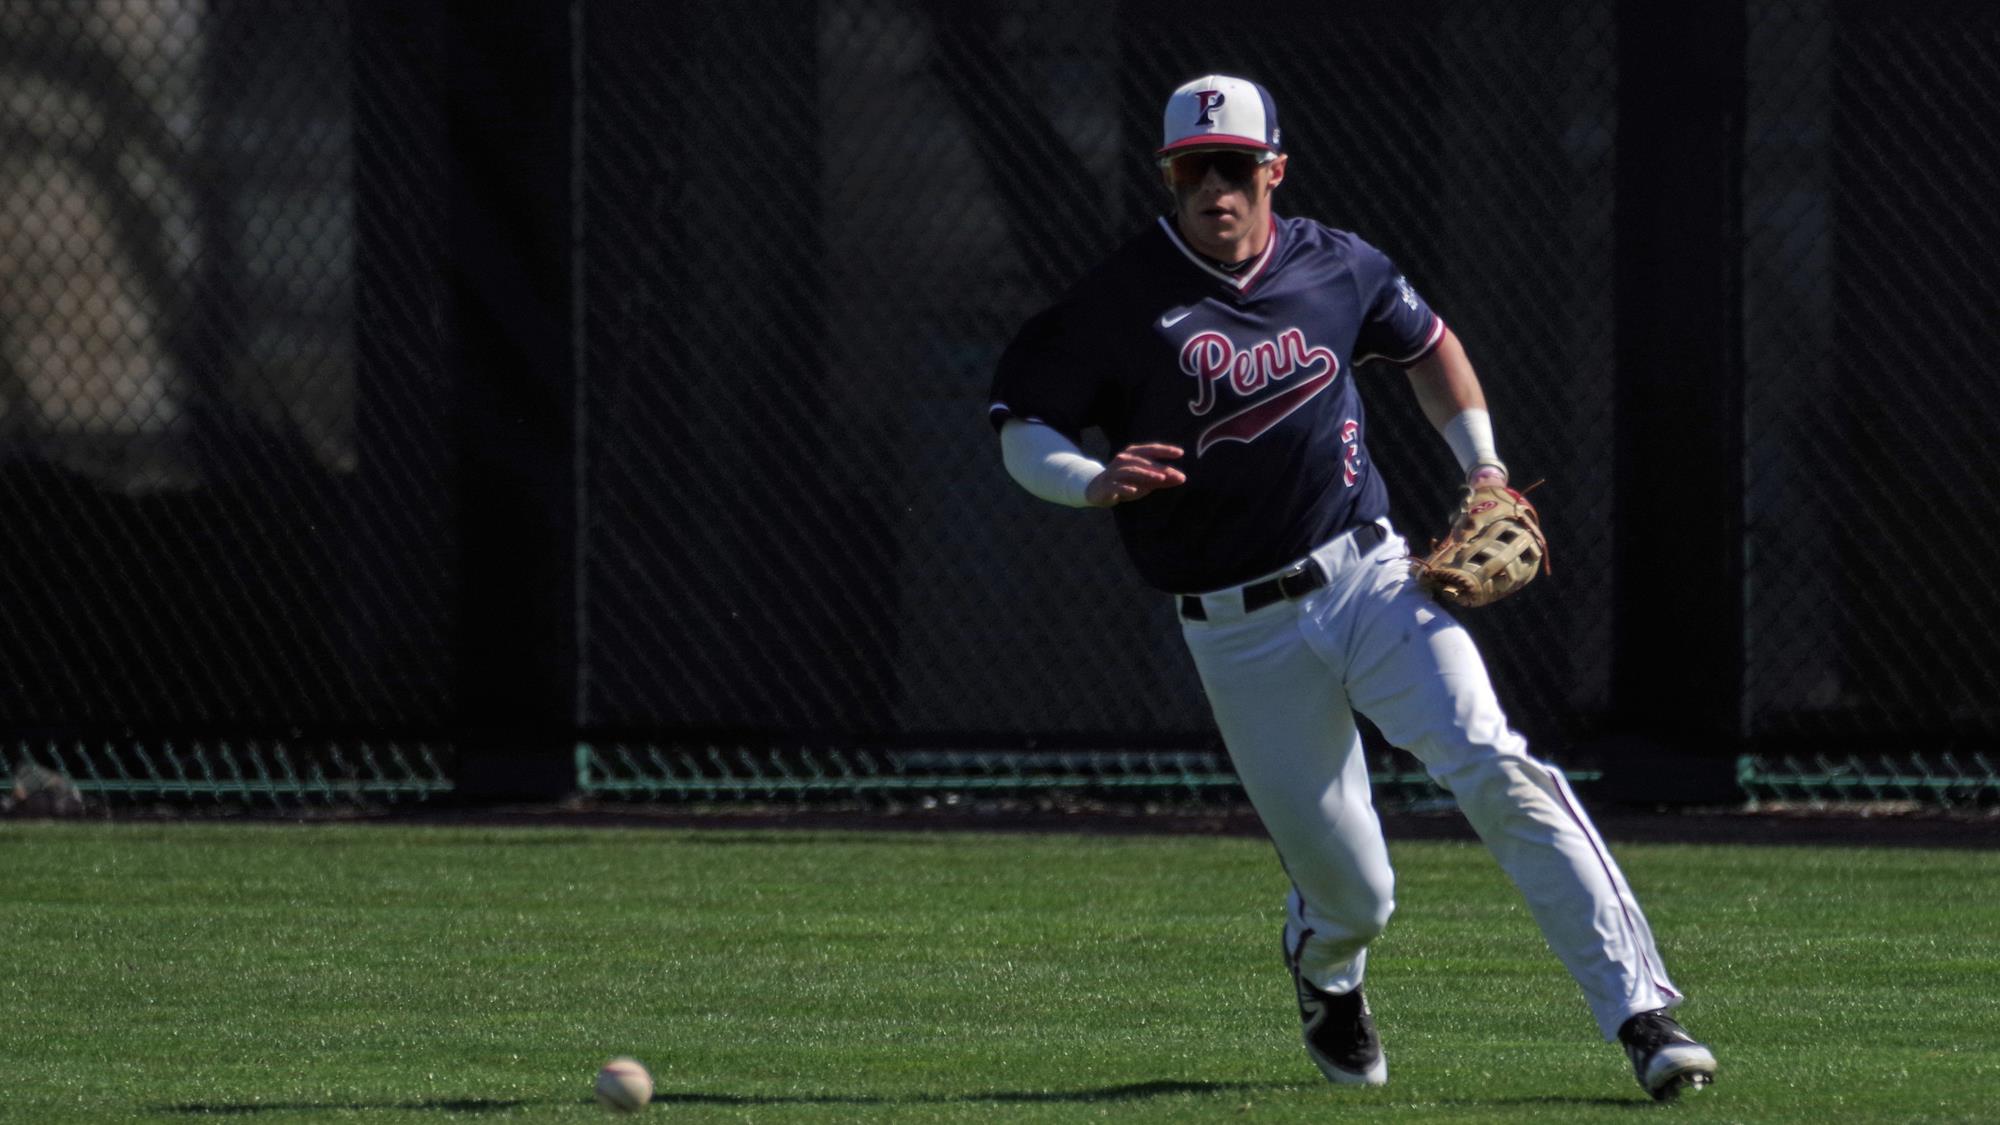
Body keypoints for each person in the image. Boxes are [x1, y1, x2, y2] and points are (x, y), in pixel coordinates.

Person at [986, 73, 1717, 1101]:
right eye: (1192, 170)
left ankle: (1643, 1015)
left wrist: (1485, 469)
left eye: (1235, 167)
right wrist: (1086, 480)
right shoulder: (1118, 301)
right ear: (1167, 177)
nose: (1215, 188)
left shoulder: (1336, 263)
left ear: (1274, 170)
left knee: (1494, 763)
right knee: (1358, 895)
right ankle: (1326, 967)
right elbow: (1021, 423)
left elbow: (1430, 346)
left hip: (1368, 574)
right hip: (1238, 631)